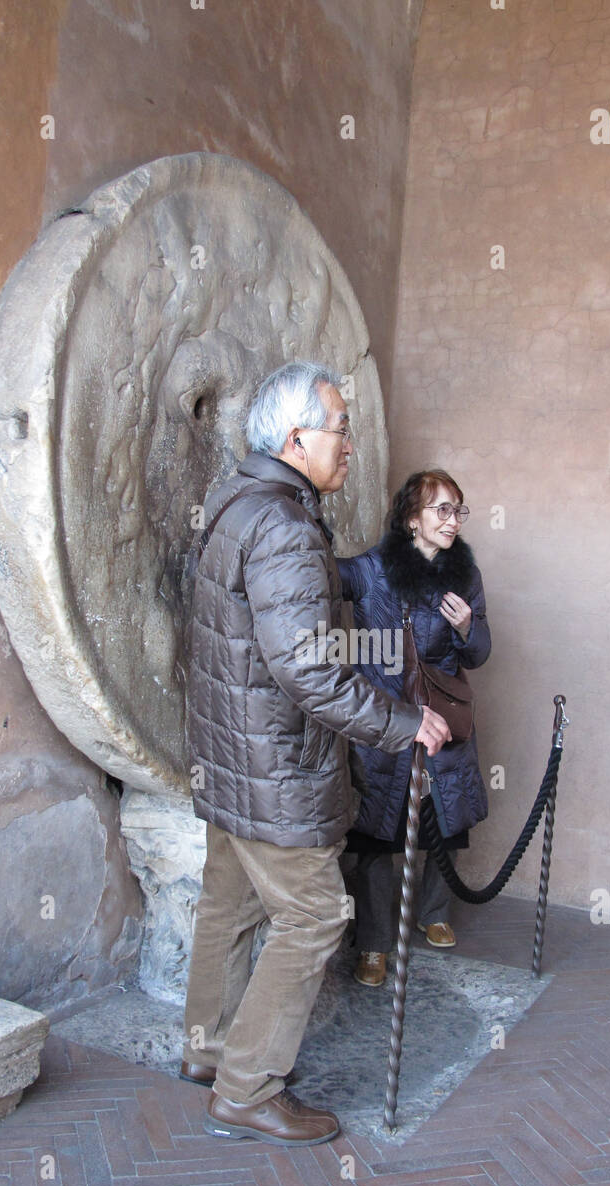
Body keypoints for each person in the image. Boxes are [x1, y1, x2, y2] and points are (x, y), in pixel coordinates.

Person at [182, 362, 450, 1146]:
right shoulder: (286, 528)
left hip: (233, 757)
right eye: (340, 428)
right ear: (297, 440)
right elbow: (307, 671)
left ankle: (207, 1051)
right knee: (316, 915)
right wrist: (405, 724)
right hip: (274, 767)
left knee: (229, 907)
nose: (351, 445)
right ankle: (248, 1087)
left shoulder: (238, 503)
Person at [338, 470, 491, 986]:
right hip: (385, 717)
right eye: (441, 509)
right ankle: (374, 943)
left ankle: (434, 912)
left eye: (457, 509)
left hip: (442, 716)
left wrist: (468, 627)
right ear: (411, 519)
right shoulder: (372, 569)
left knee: (444, 821)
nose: (452, 520)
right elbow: (320, 575)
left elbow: (481, 653)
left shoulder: (465, 576)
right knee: (380, 834)